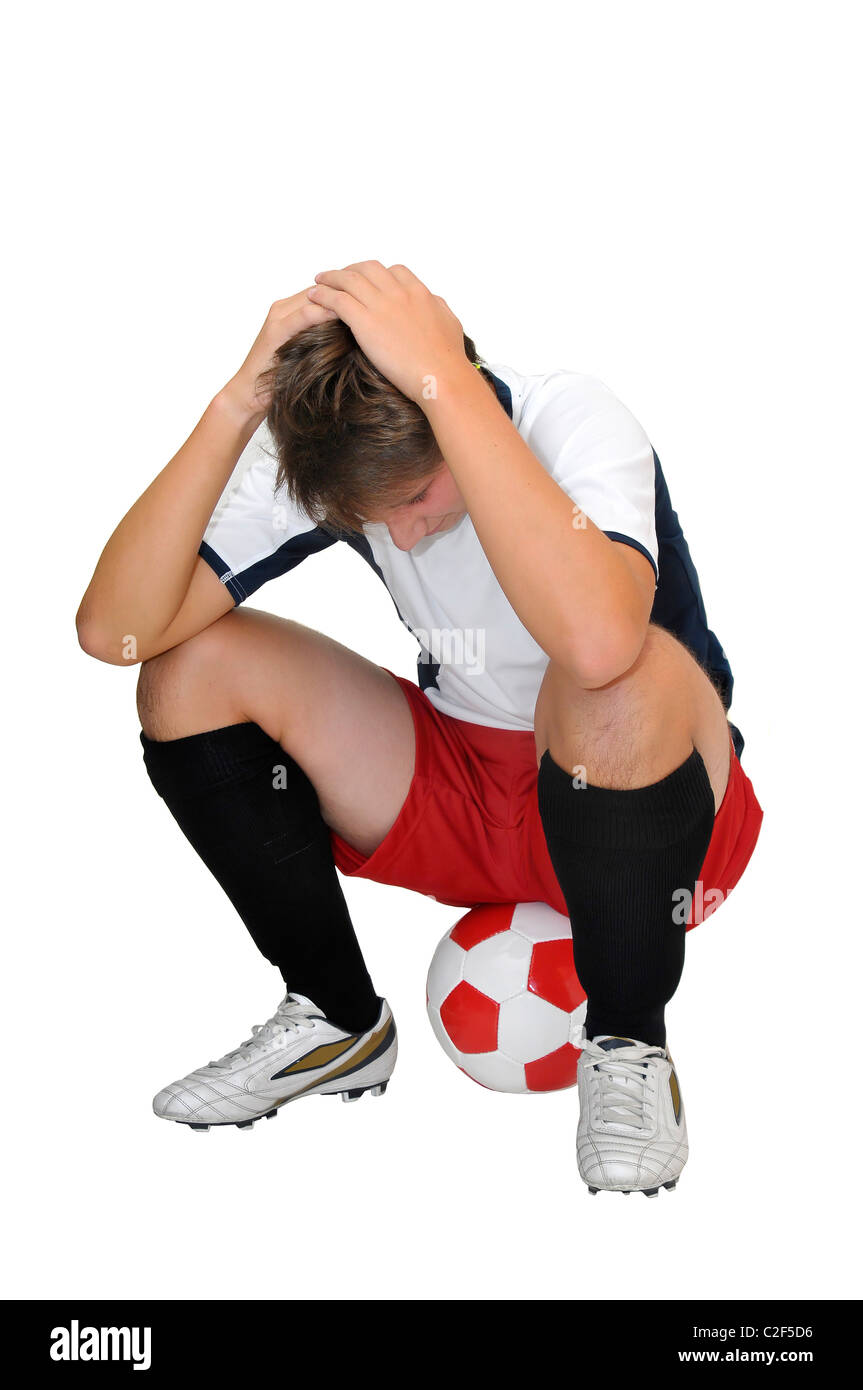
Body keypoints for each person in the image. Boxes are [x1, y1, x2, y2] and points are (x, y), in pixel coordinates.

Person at [76, 261, 763, 1194]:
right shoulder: (348, 458)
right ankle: (334, 1021)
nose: (398, 536)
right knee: (187, 668)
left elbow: (601, 646)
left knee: (611, 678)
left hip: (655, 803)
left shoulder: (569, 416)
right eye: (370, 517)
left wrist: (446, 382)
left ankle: (629, 1042)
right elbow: (113, 630)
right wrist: (238, 401)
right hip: (469, 787)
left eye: (415, 499)